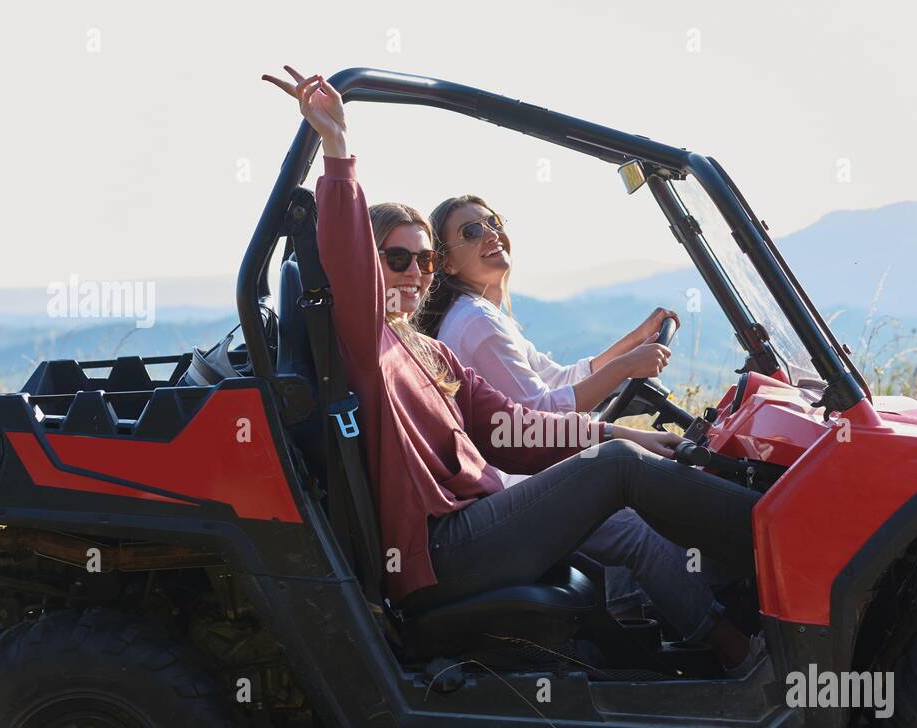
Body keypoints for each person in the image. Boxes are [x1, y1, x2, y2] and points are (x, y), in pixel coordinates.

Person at [261, 67, 765, 676]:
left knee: (622, 462)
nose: (414, 274)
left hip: (480, 524)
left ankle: (744, 591)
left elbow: (518, 431)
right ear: (371, 266)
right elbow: (345, 262)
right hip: (440, 550)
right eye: (396, 259)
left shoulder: (431, 353)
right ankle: (778, 544)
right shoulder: (365, 345)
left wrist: (627, 435)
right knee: (618, 473)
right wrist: (337, 148)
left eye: (423, 260)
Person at [415, 195, 742, 648]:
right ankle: (733, 649)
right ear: (447, 264)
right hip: (518, 488)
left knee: (641, 504)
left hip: (530, 473)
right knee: (636, 527)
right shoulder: (474, 323)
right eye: (471, 232)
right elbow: (543, 410)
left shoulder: (485, 314)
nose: (490, 233)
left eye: (493, 221)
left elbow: (558, 378)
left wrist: (632, 345)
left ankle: (650, 627)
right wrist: (625, 370)